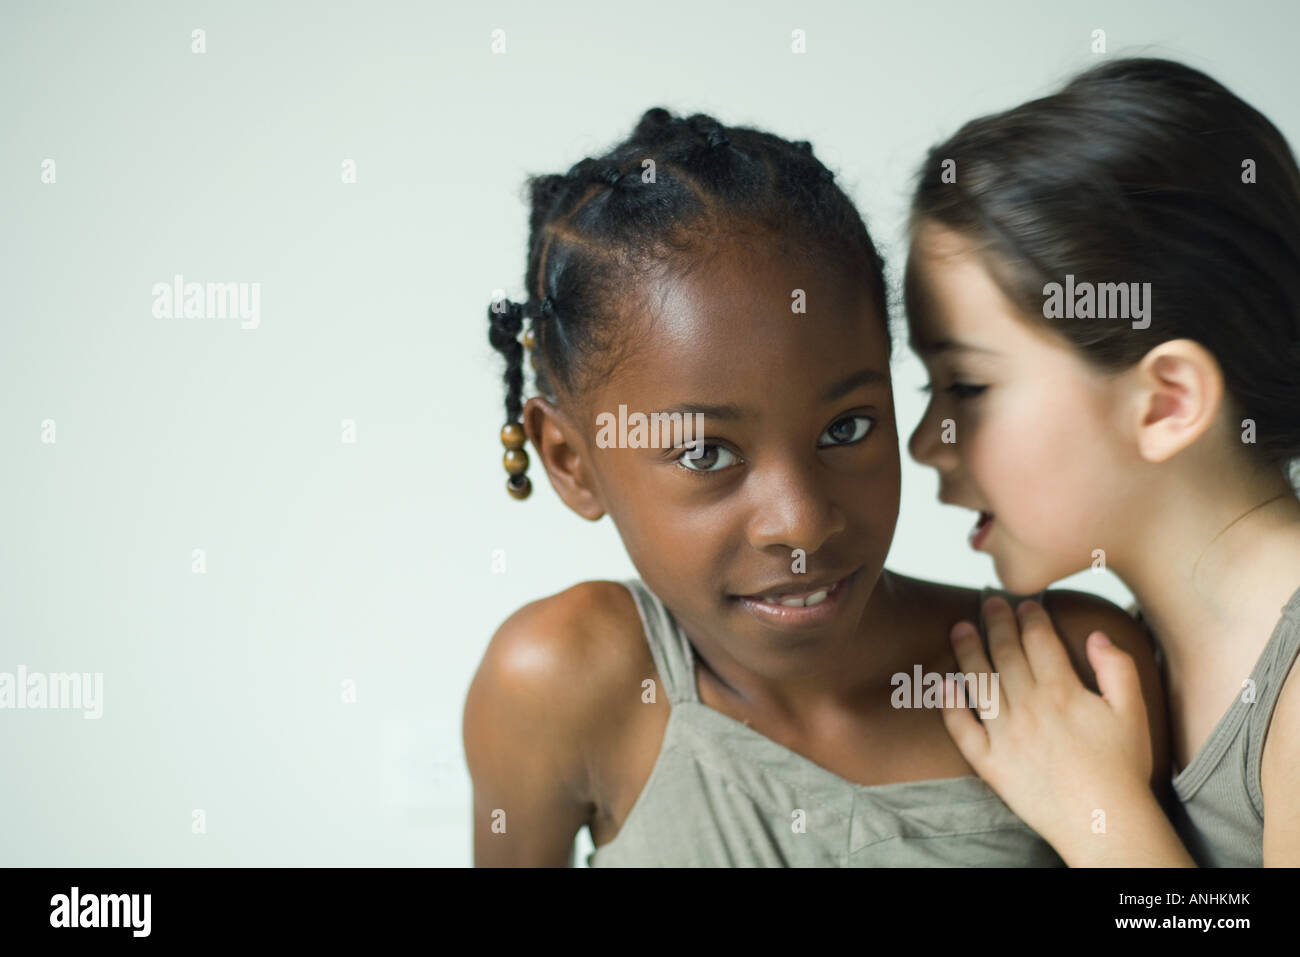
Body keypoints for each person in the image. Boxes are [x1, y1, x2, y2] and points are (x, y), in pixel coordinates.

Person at [465, 106, 1163, 866]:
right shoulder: (558, 685)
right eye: (705, 454)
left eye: (846, 429)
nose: (800, 524)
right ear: (570, 460)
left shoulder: (1067, 673)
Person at [905, 57, 1300, 866]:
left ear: (1165, 402)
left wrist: (1101, 815)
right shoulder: (1134, 649)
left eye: (968, 386)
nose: (925, 443)